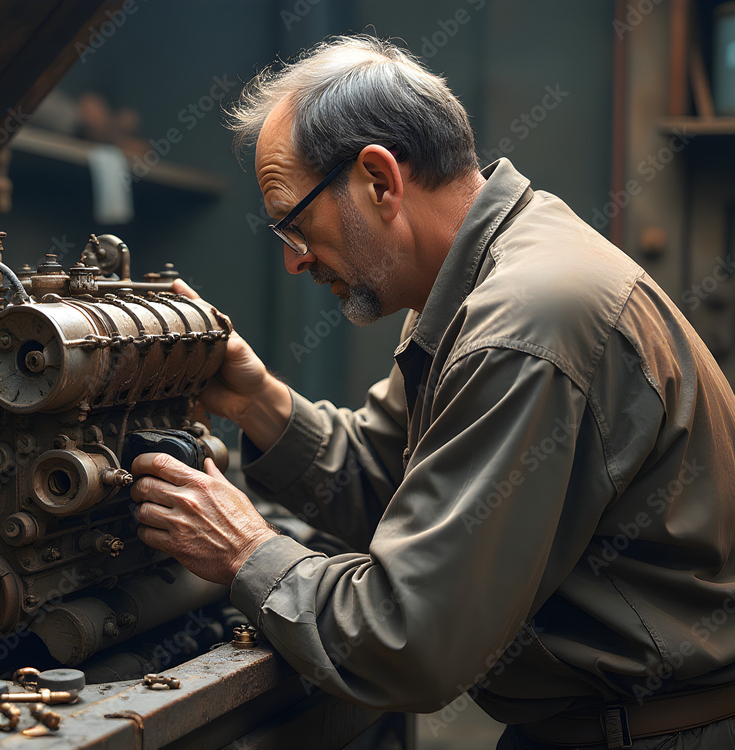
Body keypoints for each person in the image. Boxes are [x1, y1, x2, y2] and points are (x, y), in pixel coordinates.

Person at [129, 35, 735, 749]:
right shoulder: (480, 280)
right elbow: (396, 480)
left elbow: (408, 639)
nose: (294, 260)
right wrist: (256, 400)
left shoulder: (523, 323)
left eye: (294, 222)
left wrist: (243, 551)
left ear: (379, 179)